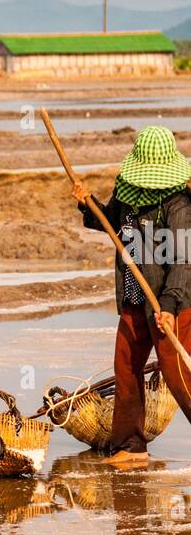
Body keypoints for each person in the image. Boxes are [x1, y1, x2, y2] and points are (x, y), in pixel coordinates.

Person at [71, 126, 191, 467]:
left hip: (172, 303)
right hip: (135, 297)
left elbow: (184, 261)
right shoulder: (127, 191)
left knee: (179, 375)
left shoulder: (179, 203)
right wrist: (88, 204)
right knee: (126, 367)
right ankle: (131, 445)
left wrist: (168, 307)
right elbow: (111, 223)